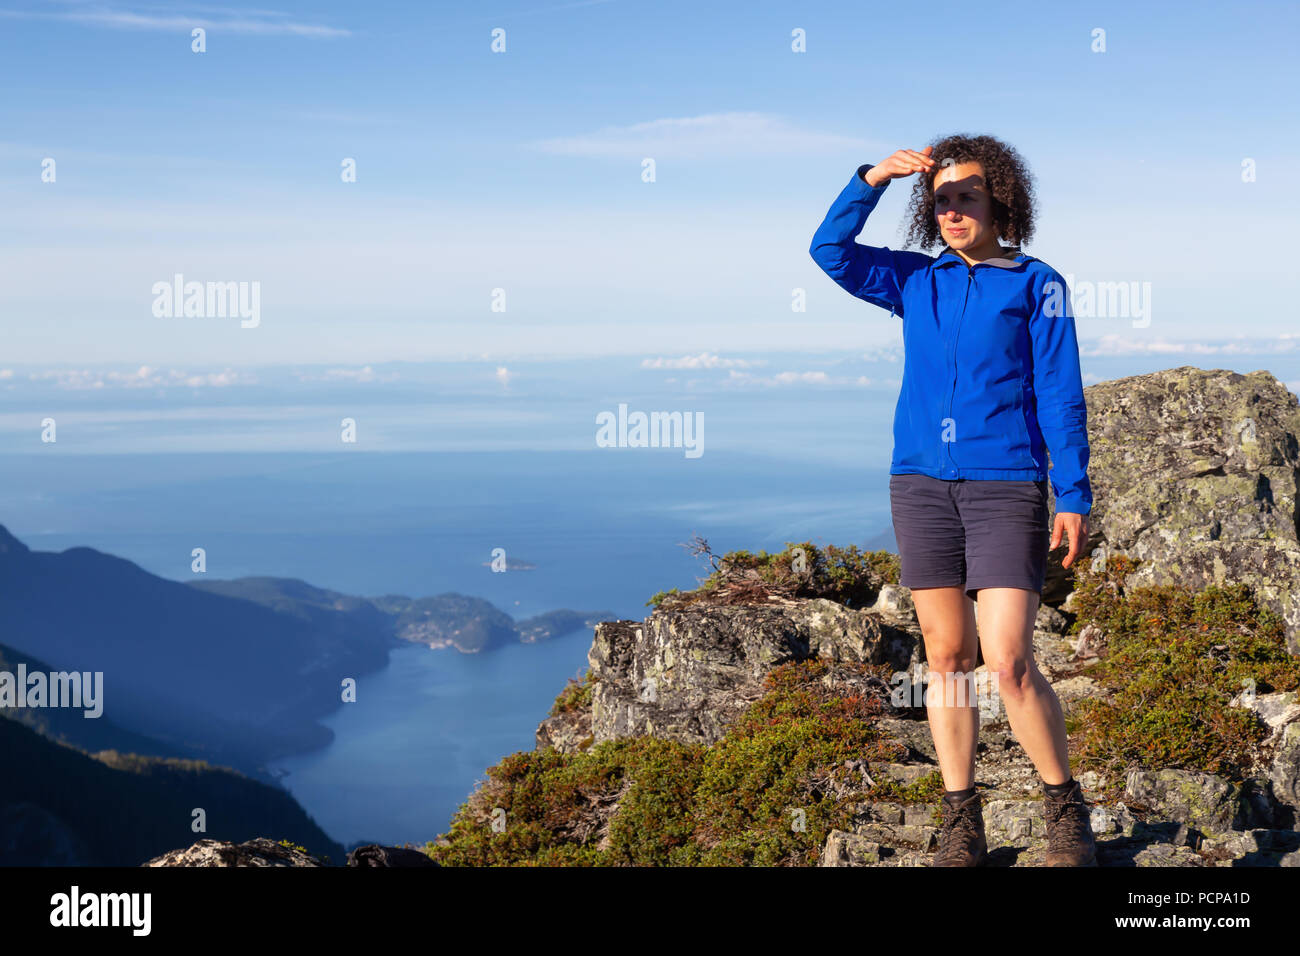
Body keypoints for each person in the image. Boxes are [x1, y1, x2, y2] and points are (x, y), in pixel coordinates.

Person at [808, 135, 1097, 867]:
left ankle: (1065, 812)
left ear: (1000, 200)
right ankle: (962, 819)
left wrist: (1073, 492)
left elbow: (1061, 392)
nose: (952, 210)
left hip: (1007, 484)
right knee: (945, 657)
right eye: (940, 199)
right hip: (920, 486)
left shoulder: (1038, 283)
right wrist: (871, 178)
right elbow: (829, 251)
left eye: (967, 195)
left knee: (1007, 661)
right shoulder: (915, 281)